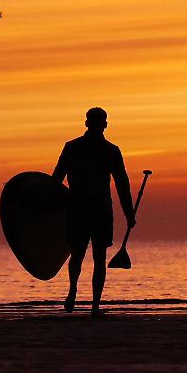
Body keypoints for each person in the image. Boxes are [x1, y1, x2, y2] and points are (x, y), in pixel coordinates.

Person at [52, 107, 135, 315]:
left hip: (84, 210)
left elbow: (56, 180)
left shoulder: (74, 147)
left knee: (79, 255)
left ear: (87, 123)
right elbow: (122, 185)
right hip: (96, 210)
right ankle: (93, 304)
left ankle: (76, 294)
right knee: (97, 257)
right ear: (104, 125)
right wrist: (129, 214)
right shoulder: (109, 150)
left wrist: (129, 213)